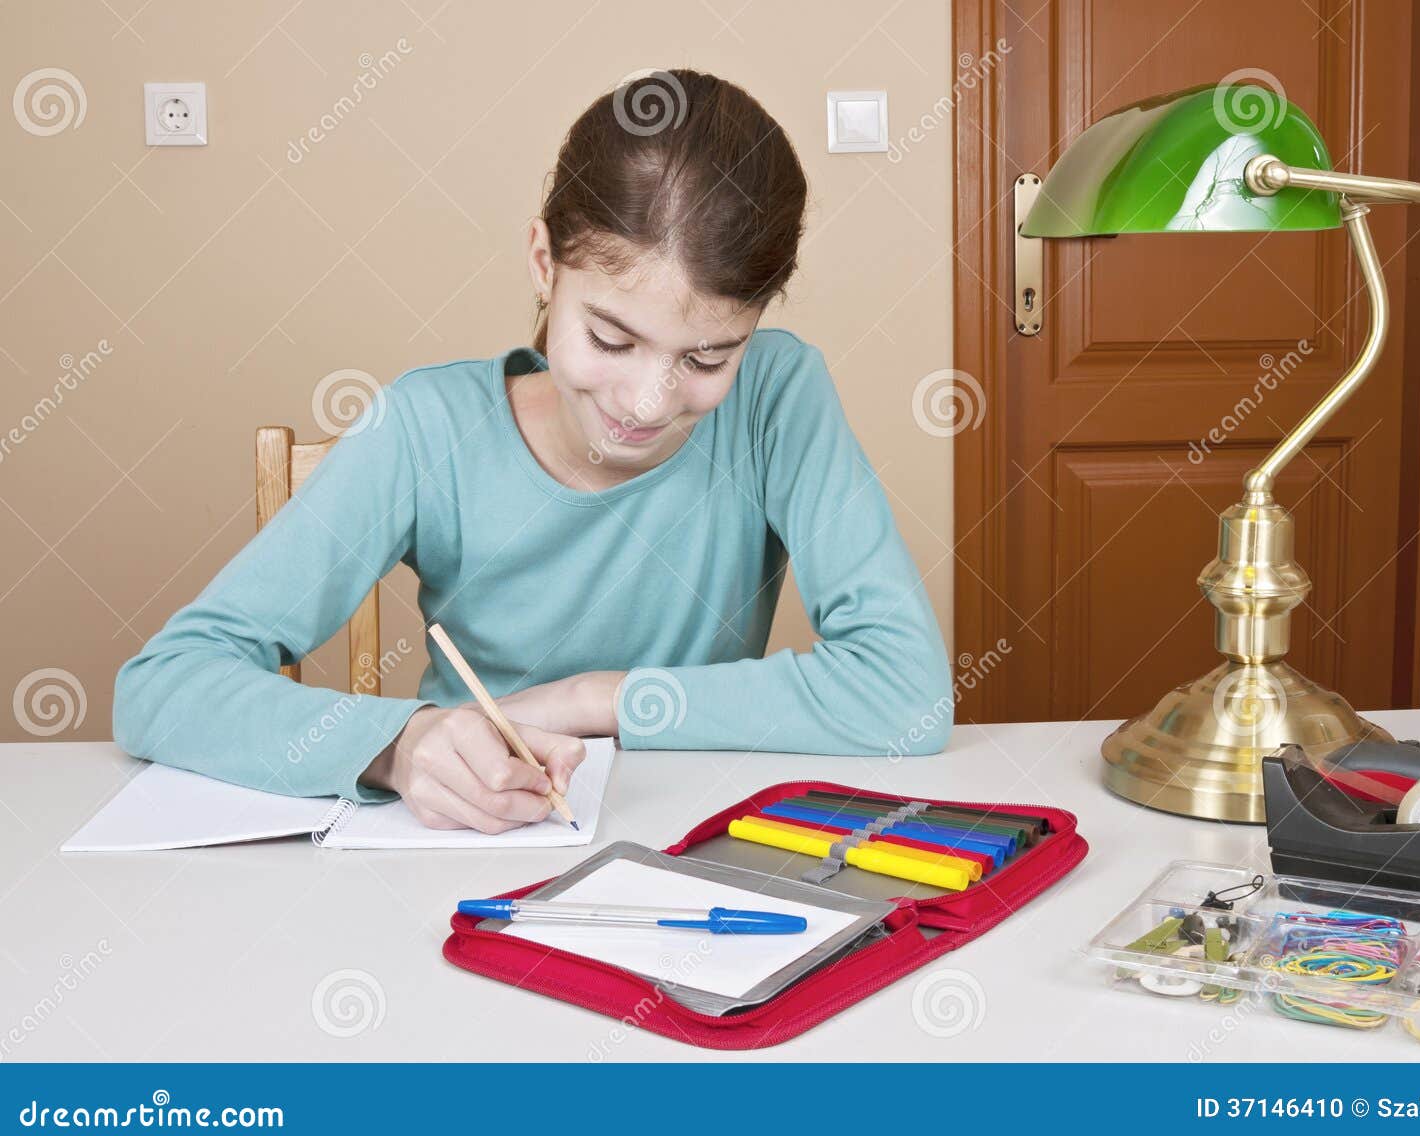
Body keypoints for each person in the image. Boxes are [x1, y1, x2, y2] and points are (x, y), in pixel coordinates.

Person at [114, 69, 952, 834]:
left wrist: (592, 699)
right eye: (611, 338)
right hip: (460, 846)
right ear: (544, 263)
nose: (647, 404)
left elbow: (903, 692)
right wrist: (396, 746)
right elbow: (163, 686)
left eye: (706, 359)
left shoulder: (778, 396)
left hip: (685, 845)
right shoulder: (425, 428)